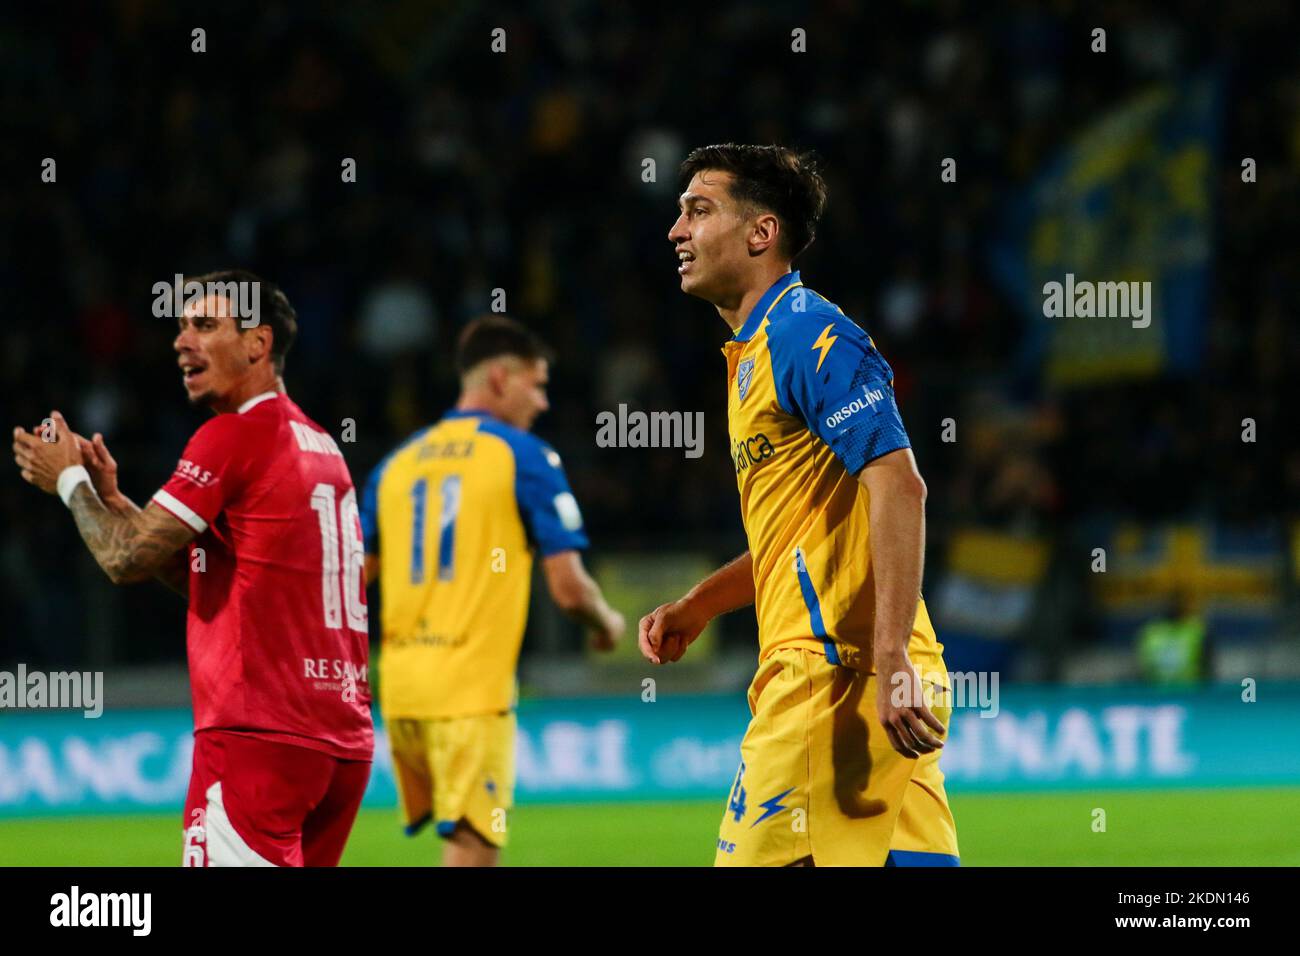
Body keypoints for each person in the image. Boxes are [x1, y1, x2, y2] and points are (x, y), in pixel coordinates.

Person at [641, 144, 959, 866]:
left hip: (836, 673)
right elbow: (806, 535)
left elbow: (899, 484)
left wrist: (885, 659)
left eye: (699, 209)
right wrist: (700, 604)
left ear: (761, 233)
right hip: (865, 669)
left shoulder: (804, 332)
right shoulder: (753, 354)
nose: (676, 230)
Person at [12, 270, 373, 867]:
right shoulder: (319, 445)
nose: (182, 341)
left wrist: (68, 481)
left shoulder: (230, 436)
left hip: (256, 739)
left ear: (258, 344)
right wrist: (117, 502)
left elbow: (123, 560)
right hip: (340, 748)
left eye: (205, 326)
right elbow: (219, 578)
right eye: (181, 326)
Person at [360, 315, 624, 867]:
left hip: (403, 693)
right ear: (501, 379)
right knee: (473, 848)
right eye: (538, 384)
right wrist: (608, 625)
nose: (544, 402)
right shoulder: (524, 457)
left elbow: (354, 581)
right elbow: (570, 589)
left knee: (454, 840)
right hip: (470, 691)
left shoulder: (395, 466)